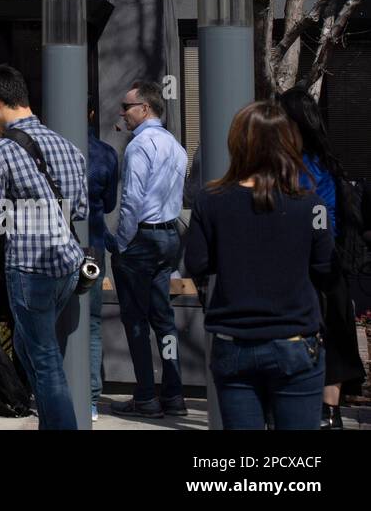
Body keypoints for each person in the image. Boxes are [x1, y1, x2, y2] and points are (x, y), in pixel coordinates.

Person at [184, 101, 332, 430]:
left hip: (233, 341)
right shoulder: (310, 205)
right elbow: (325, 269)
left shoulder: (210, 200)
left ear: (237, 144)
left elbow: (196, 262)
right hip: (294, 338)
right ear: (290, 145)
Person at [0, 65, 87, 430]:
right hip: (68, 263)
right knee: (27, 346)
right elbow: (79, 208)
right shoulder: (68, 146)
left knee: (44, 358)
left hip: (29, 267)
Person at [278, 88, 366, 429]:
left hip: (305, 267)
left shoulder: (290, 166)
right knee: (335, 341)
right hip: (332, 266)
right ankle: (331, 415)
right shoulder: (327, 161)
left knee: (310, 338)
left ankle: (319, 412)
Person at [107, 80, 188, 418]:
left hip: (142, 238)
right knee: (163, 319)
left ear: (145, 108)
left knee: (136, 321)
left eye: (127, 107)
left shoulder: (139, 147)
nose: (122, 113)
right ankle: (173, 393)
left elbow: (131, 202)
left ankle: (144, 395)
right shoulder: (175, 146)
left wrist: (121, 243)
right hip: (168, 237)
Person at [86, 98, 119, 422]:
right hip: (93, 246)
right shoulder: (107, 154)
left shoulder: (47, 151)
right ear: (92, 114)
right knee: (92, 324)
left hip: (54, 247)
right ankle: (91, 397)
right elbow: (109, 205)